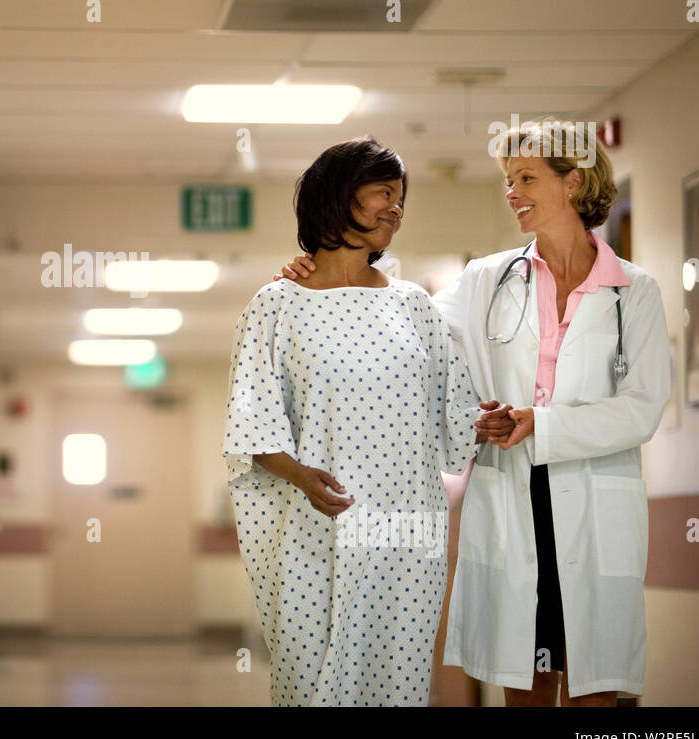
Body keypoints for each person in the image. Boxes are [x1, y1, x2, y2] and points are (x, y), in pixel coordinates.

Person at [276, 119, 672, 705]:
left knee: (597, 688)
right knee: (526, 682)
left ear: (574, 181)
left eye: (527, 178)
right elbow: (406, 331)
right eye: (508, 180)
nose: (511, 192)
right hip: (511, 499)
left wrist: (543, 424)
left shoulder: (633, 291)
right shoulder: (488, 279)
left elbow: (641, 409)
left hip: (594, 505)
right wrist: (327, 279)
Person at [223, 135, 504, 706]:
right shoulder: (276, 305)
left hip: (406, 529)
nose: (395, 208)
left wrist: (487, 421)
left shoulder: (414, 305)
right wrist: (300, 475)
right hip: (312, 527)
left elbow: (453, 411)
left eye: (400, 197)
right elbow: (251, 426)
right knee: (309, 684)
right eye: (382, 192)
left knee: (395, 684)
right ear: (337, 196)